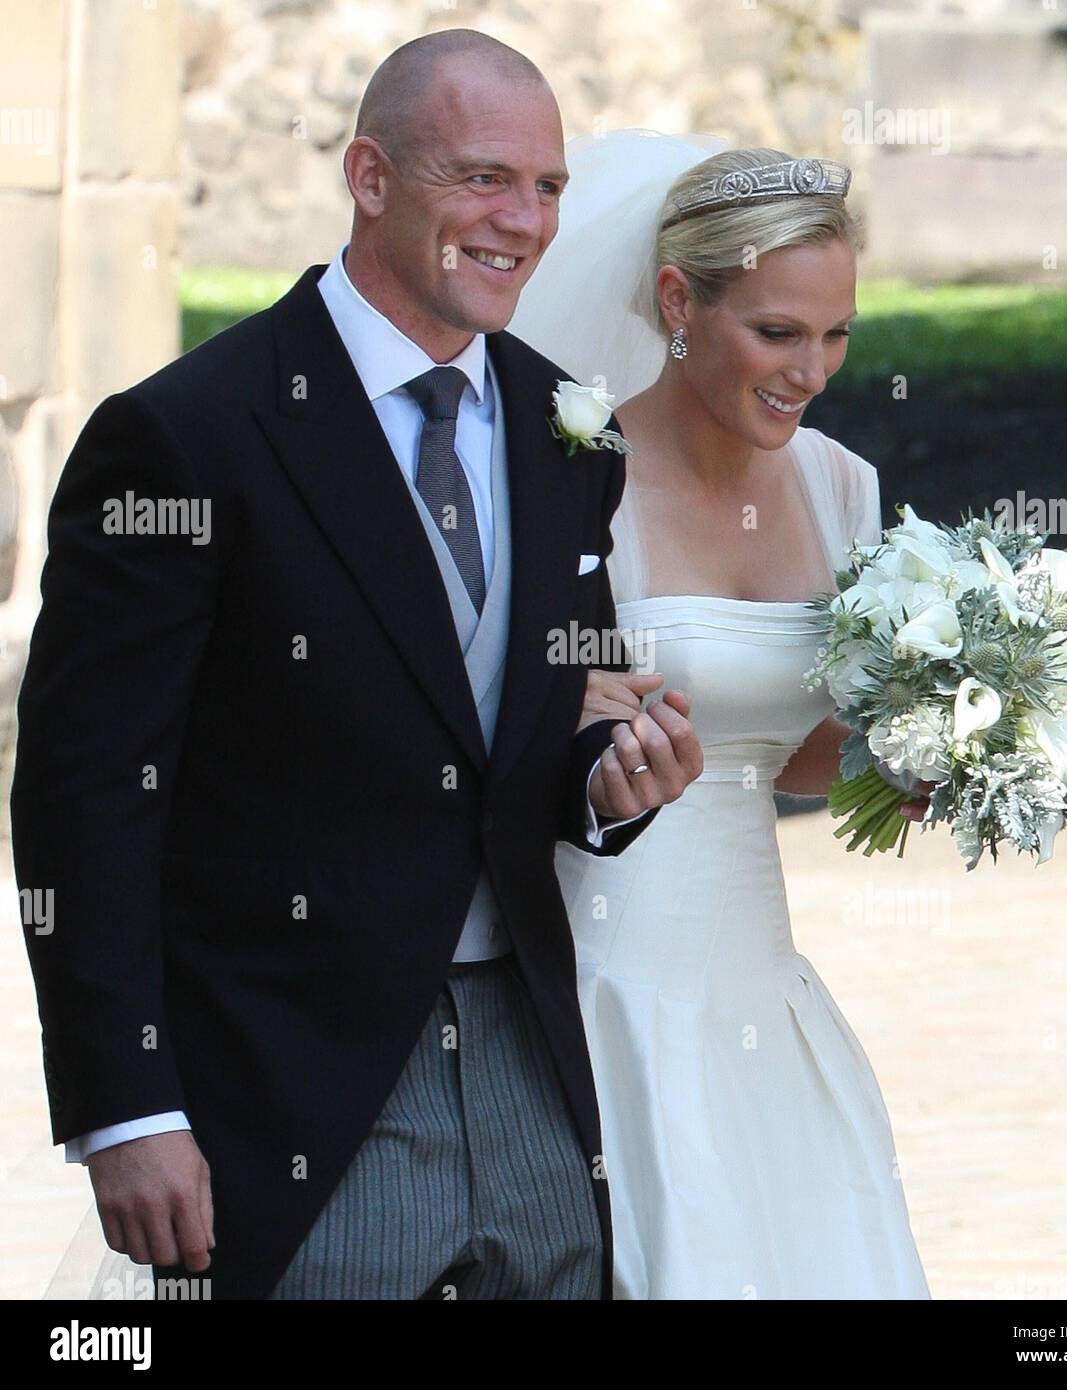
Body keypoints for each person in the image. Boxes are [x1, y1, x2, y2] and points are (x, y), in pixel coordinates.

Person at [14, 38, 702, 1301]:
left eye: (547, 187)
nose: (524, 222)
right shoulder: (183, 438)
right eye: (485, 178)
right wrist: (126, 1108)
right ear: (370, 176)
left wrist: (607, 783)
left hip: (528, 1068)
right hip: (289, 1078)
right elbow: (85, 796)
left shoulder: (572, 431)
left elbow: (532, 721)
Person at [510, 131, 932, 1298]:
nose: (813, 368)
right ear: (674, 302)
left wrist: (908, 760)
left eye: (837, 333)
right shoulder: (571, 473)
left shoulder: (840, 484)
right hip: (600, 982)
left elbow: (792, 754)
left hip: (756, 981)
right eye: (778, 332)